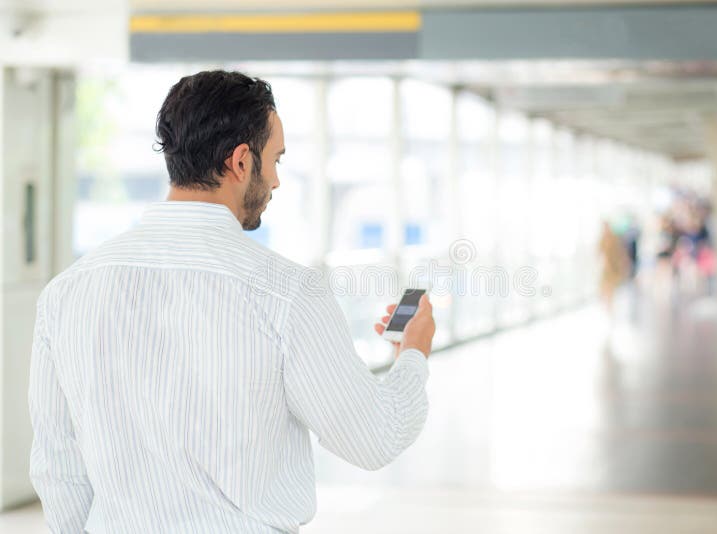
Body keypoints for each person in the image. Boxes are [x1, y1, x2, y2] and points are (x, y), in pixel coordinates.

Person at [28, 70, 435, 533]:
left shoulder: (66, 293)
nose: (277, 181)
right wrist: (413, 355)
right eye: (275, 160)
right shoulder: (288, 293)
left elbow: (57, 468)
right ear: (241, 162)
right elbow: (372, 438)